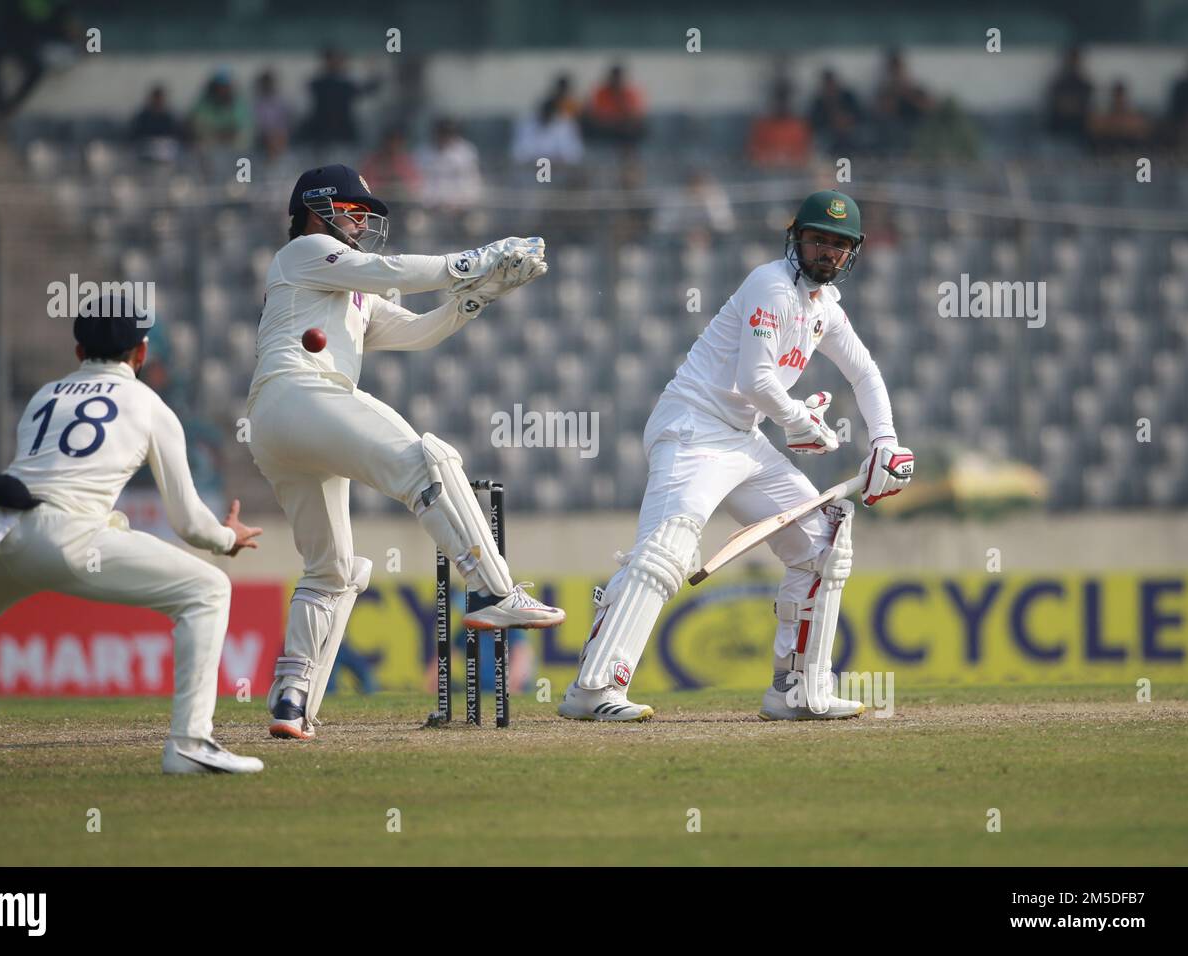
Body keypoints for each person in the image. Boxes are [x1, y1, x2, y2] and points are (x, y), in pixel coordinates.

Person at [558, 190, 914, 722]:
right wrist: (799, 422)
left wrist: (884, 439)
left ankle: (796, 691)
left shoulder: (826, 310)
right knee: (667, 551)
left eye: (840, 245)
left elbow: (864, 372)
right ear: (796, 238)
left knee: (823, 544)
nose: (828, 253)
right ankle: (591, 691)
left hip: (743, 439)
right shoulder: (769, 285)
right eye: (818, 240)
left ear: (853, 252)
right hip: (691, 429)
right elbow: (755, 379)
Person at [248, 164, 565, 740]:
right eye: (355, 211)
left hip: (283, 427)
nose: (364, 222)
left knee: (331, 571)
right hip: (301, 393)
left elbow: (421, 332)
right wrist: (481, 258)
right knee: (427, 460)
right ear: (317, 208)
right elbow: (389, 269)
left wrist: (481, 294)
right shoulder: (304, 251)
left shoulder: (350, 293)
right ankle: (492, 588)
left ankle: (291, 701)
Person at [0, 295, 264, 773]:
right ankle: (190, 744)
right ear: (142, 353)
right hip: (63, 536)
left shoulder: (44, 396)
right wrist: (227, 539)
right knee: (209, 589)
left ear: (77, 352)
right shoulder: (150, 406)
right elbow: (189, 522)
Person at [297, 49, 381, 148]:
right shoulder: (318, 83)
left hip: (343, 131)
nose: (335, 63)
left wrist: (372, 70)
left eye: (338, 60)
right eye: (332, 60)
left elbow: (369, 88)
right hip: (321, 133)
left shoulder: (346, 84)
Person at [747, 81, 813, 168]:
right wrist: (770, 159)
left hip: (793, 173)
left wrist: (789, 160)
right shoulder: (762, 126)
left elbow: (806, 155)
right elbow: (752, 155)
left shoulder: (799, 127)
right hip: (766, 173)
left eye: (784, 101)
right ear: (773, 101)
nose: (781, 105)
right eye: (778, 100)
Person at [583, 64, 647, 146]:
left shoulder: (629, 93)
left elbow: (635, 115)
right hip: (605, 128)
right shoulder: (602, 93)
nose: (616, 81)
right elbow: (596, 114)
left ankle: (629, 153)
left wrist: (620, 99)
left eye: (618, 78)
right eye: (614, 78)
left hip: (623, 128)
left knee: (634, 128)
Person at [1046, 47, 1094, 143]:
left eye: (1075, 60)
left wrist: (1070, 105)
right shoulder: (1058, 84)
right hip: (1059, 127)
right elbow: (1057, 106)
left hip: (1080, 130)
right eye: (1070, 60)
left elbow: (1086, 106)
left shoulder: (1085, 85)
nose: (1072, 63)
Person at [253, 69, 293, 160]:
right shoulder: (257, 103)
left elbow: (286, 122)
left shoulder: (282, 101)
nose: (267, 86)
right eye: (265, 83)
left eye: (269, 83)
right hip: (262, 138)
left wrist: (278, 134)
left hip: (280, 136)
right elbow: (257, 124)